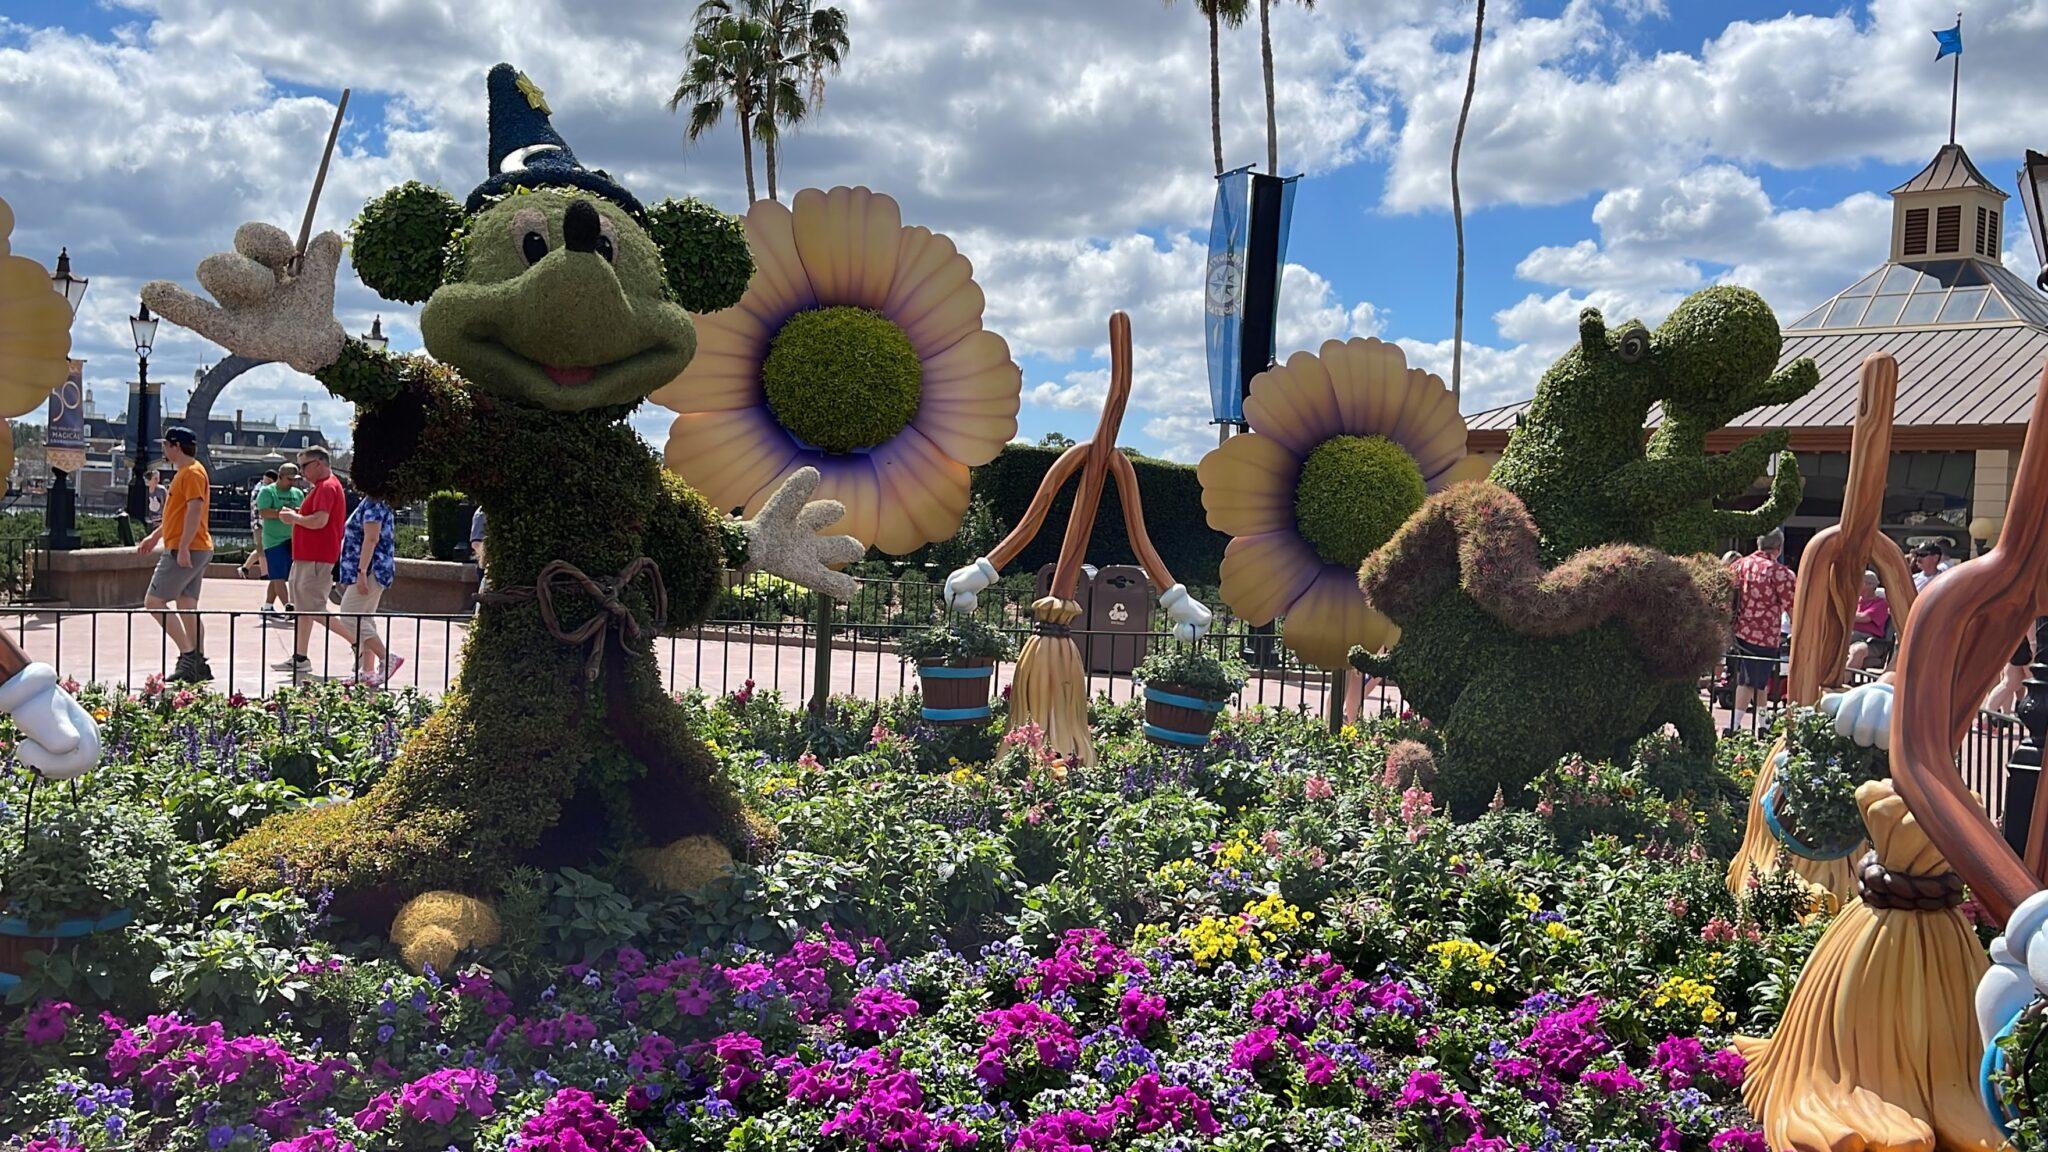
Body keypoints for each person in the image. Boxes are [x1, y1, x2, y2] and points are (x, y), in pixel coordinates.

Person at [135, 427, 213, 683]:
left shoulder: (190, 473)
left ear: (176, 446)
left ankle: (188, 656)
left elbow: (194, 510)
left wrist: (182, 547)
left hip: (188, 547)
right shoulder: (188, 472)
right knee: (187, 604)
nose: (164, 450)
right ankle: (199, 662)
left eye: (166, 445)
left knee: (153, 602)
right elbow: (177, 514)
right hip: (196, 546)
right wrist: (155, 536)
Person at [274, 447, 347, 678]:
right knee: (303, 609)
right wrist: (297, 515)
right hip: (307, 557)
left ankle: (360, 644)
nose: (301, 472)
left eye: (304, 466)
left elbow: (320, 521)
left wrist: (294, 518)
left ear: (319, 463)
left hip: (317, 558)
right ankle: (300, 657)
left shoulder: (327, 486)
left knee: (314, 608)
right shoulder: (321, 487)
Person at [1727, 529, 1797, 734]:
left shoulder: (1739, 565)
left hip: (1739, 632)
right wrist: (1797, 632)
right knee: (1749, 681)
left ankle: (1763, 723)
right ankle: (1735, 725)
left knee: (1756, 681)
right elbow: (1793, 607)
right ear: (1779, 547)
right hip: (1765, 635)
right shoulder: (1780, 573)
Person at [338, 494, 403, 687]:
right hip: (373, 570)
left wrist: (362, 572)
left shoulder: (375, 503)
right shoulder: (374, 501)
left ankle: (386, 657)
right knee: (363, 617)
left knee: (349, 615)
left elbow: (372, 538)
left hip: (372, 570)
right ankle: (367, 670)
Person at [255, 462, 305, 615]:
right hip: (273, 540)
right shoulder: (267, 491)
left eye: (295, 479)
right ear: (280, 476)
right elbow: (263, 512)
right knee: (279, 577)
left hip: (292, 539)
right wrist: (282, 513)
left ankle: (268, 606)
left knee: (281, 575)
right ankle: (288, 607)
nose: (292, 482)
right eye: (289, 479)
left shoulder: (298, 493)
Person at [1845, 570, 1891, 671]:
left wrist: (1843, 615)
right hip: (1850, 637)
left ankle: (1841, 682)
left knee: (1858, 651)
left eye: (1859, 581)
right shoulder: (1856, 601)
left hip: (1871, 641)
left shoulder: (1880, 604)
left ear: (1869, 585)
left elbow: (1864, 618)